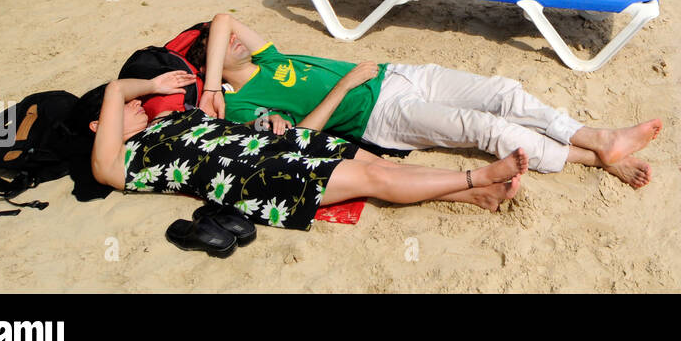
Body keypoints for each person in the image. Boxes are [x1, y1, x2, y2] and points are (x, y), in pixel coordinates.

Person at [190, 14, 661, 186]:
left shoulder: (265, 60)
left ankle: (594, 138)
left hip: (397, 75)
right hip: (378, 114)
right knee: (483, 128)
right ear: (209, 59)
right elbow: (302, 135)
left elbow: (223, 18)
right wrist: (344, 85)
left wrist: (208, 81)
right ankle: (598, 156)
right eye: (219, 45)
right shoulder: (237, 104)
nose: (231, 41)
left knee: (500, 92)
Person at [77, 72, 528, 232]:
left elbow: (225, 131)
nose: (136, 105)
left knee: (382, 165)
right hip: (254, 180)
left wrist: (264, 125)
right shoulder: (119, 161)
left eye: (141, 102)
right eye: (124, 109)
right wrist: (149, 87)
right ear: (101, 125)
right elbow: (116, 88)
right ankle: (476, 178)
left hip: (273, 146)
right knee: (374, 181)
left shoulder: (171, 121)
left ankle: (474, 195)